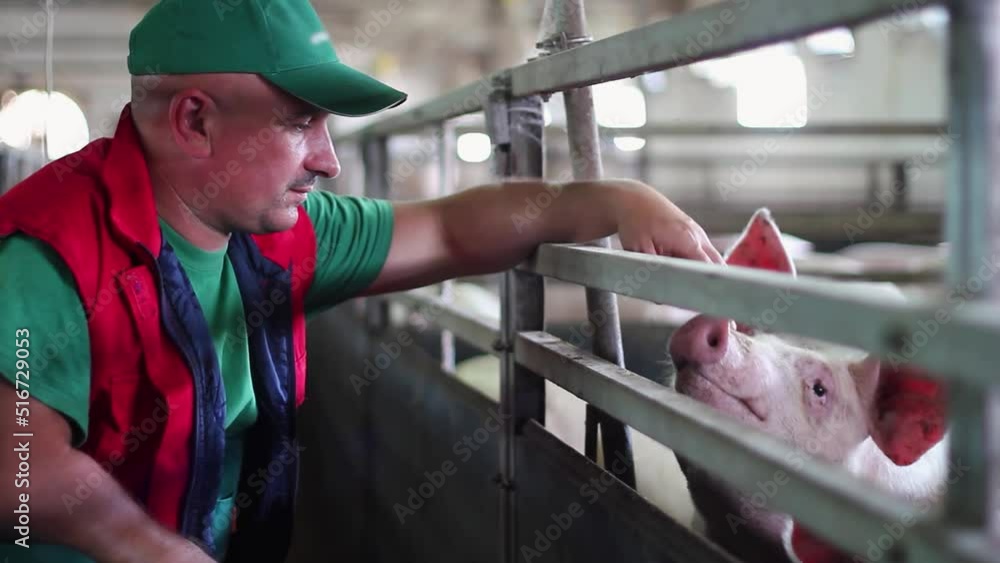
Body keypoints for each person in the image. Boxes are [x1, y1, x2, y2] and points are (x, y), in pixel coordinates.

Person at [0, 0, 723, 561]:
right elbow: (17, 470)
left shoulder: (278, 235)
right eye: (301, 122)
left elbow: (449, 229)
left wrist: (607, 201)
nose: (328, 159)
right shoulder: (47, 255)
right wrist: (143, 544)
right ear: (195, 120)